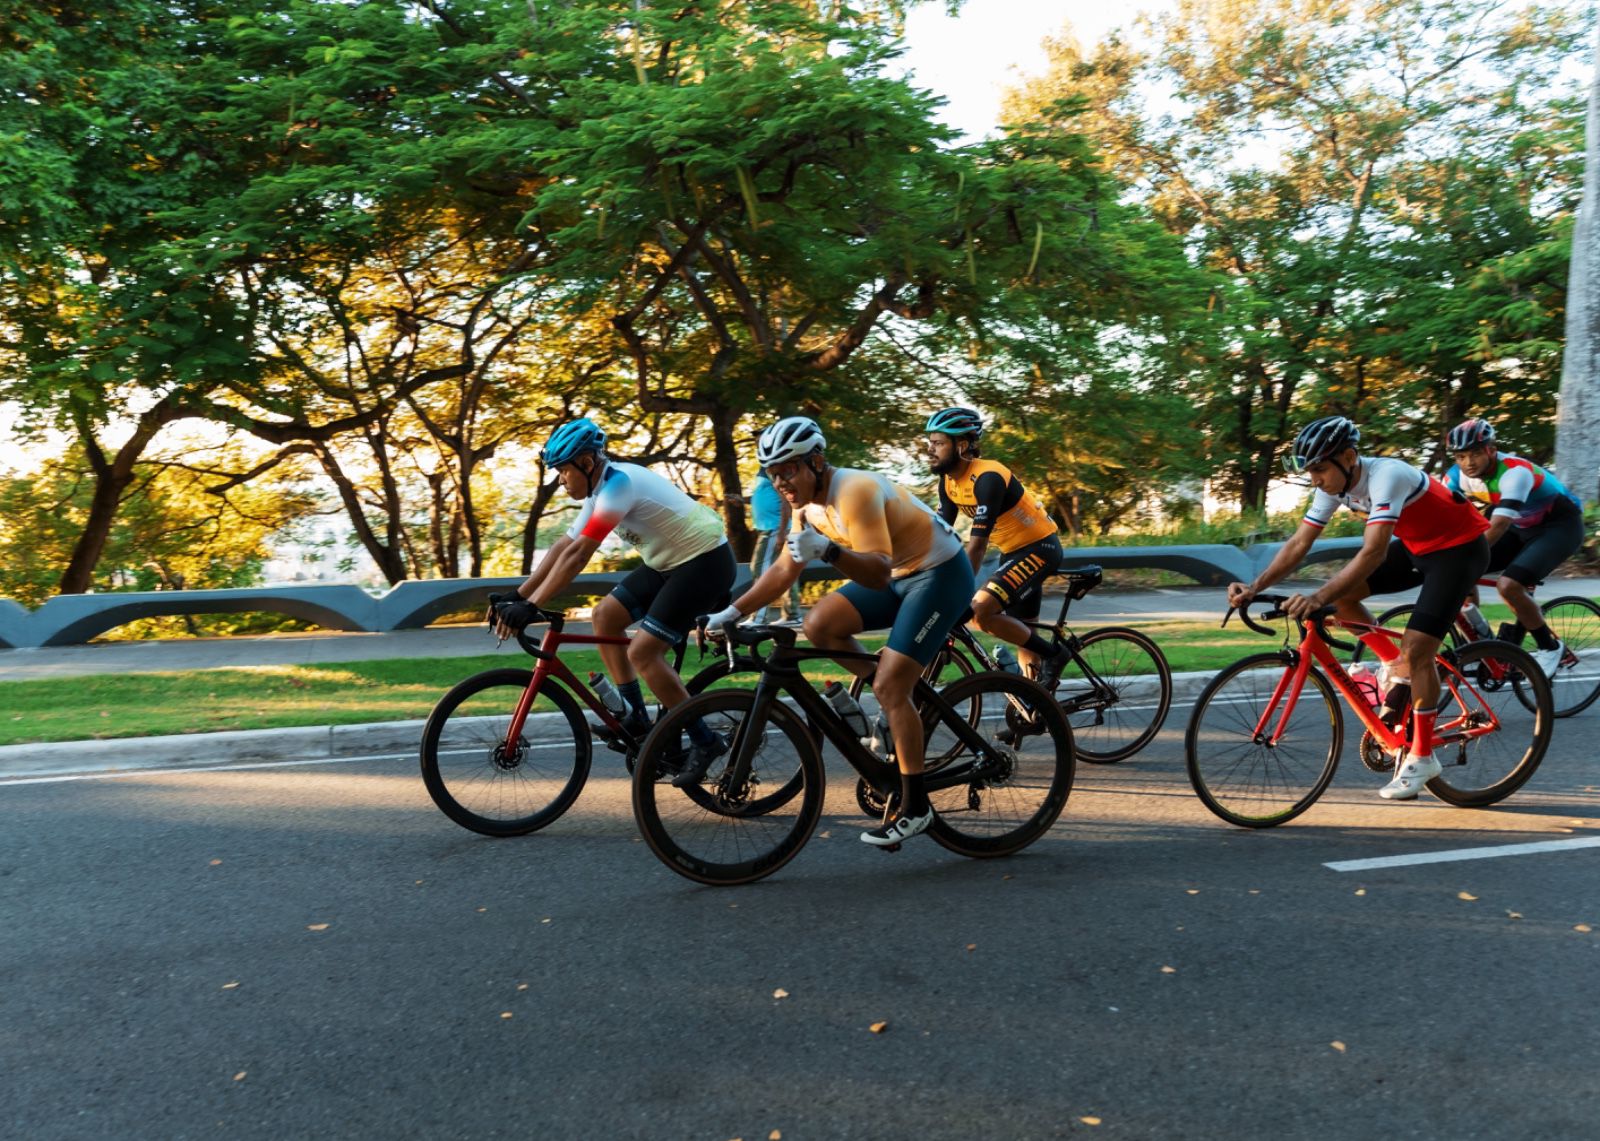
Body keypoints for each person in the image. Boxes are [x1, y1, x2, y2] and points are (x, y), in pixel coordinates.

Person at [702, 416, 976, 845]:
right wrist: (733, 612)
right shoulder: (804, 506)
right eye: (773, 474)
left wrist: (828, 549)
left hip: (939, 573)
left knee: (890, 686)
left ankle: (917, 806)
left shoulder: (855, 491)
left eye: (788, 470)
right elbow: (784, 568)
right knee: (819, 625)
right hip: (901, 573)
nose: (781, 482)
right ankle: (893, 702)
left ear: (816, 461)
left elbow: (876, 575)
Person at [1227, 416, 1490, 801]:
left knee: (1418, 649)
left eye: (1319, 468)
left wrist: (1317, 597)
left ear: (1348, 457)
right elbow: (1299, 545)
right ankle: (1394, 667)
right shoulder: (1333, 483)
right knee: (1345, 600)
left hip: (1459, 551)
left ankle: (1422, 755)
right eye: (1310, 470)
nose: (1314, 478)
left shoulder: (1388, 476)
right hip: (1419, 548)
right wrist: (1254, 587)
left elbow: (1373, 552)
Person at [490, 418, 737, 782]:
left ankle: (705, 740)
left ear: (586, 464)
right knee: (604, 616)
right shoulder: (599, 489)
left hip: (704, 565)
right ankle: (637, 716)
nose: (560, 480)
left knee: (643, 653)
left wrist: (529, 608)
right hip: (669, 565)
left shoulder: (619, 485)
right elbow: (564, 545)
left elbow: (578, 557)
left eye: (563, 471)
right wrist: (520, 595)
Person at [925, 407, 1070, 684]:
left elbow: (977, 546)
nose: (931, 449)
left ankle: (1056, 654)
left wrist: (956, 589)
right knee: (1025, 638)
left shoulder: (988, 477)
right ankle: (1034, 709)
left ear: (962, 446)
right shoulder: (948, 483)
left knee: (980, 613)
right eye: (930, 442)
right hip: (1012, 553)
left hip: (1040, 549)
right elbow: (939, 536)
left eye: (939, 443)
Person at [1443, 417, 1581, 677]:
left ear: (1490, 450)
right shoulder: (1454, 478)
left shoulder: (1514, 472)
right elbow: (1442, 518)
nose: (1468, 463)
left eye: (1475, 454)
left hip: (1558, 527)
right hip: (1521, 527)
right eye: (1461, 456)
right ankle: (1482, 639)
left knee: (1509, 585)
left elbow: (1499, 525)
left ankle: (1550, 647)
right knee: (1457, 568)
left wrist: (1464, 556)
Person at [745, 470, 803, 626]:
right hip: (771, 527)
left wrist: (782, 531)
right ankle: (792, 616)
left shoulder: (772, 469)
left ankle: (759, 617)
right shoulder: (765, 468)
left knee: (759, 569)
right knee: (785, 571)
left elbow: (785, 501)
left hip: (774, 528)